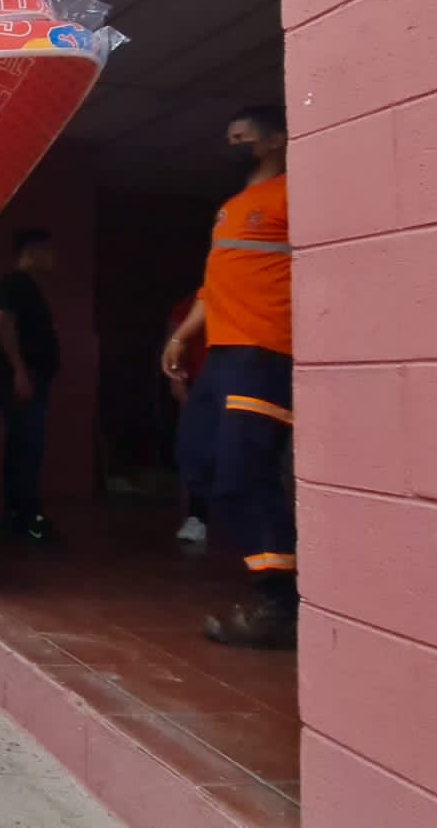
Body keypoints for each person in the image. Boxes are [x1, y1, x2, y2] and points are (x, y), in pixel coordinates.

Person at [162, 104, 295, 649]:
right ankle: (274, 571)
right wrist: (182, 335)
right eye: (229, 137)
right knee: (197, 459)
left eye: (242, 137)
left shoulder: (294, 194)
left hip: (263, 354)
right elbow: (213, 285)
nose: (232, 145)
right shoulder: (230, 208)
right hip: (221, 355)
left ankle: (278, 601)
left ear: (277, 140)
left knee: (244, 473)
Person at [0, 228, 59, 541]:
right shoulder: (15, 284)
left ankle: (19, 516)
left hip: (28, 376)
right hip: (20, 378)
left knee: (23, 446)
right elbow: (4, 323)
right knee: (27, 448)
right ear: (32, 251)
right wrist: (20, 371)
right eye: (48, 250)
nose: (53, 257)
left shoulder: (27, 286)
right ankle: (27, 519)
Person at [166, 293, 210, 544]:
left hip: (235, 383)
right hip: (197, 385)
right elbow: (174, 338)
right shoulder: (186, 306)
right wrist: (177, 380)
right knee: (194, 450)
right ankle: (197, 517)